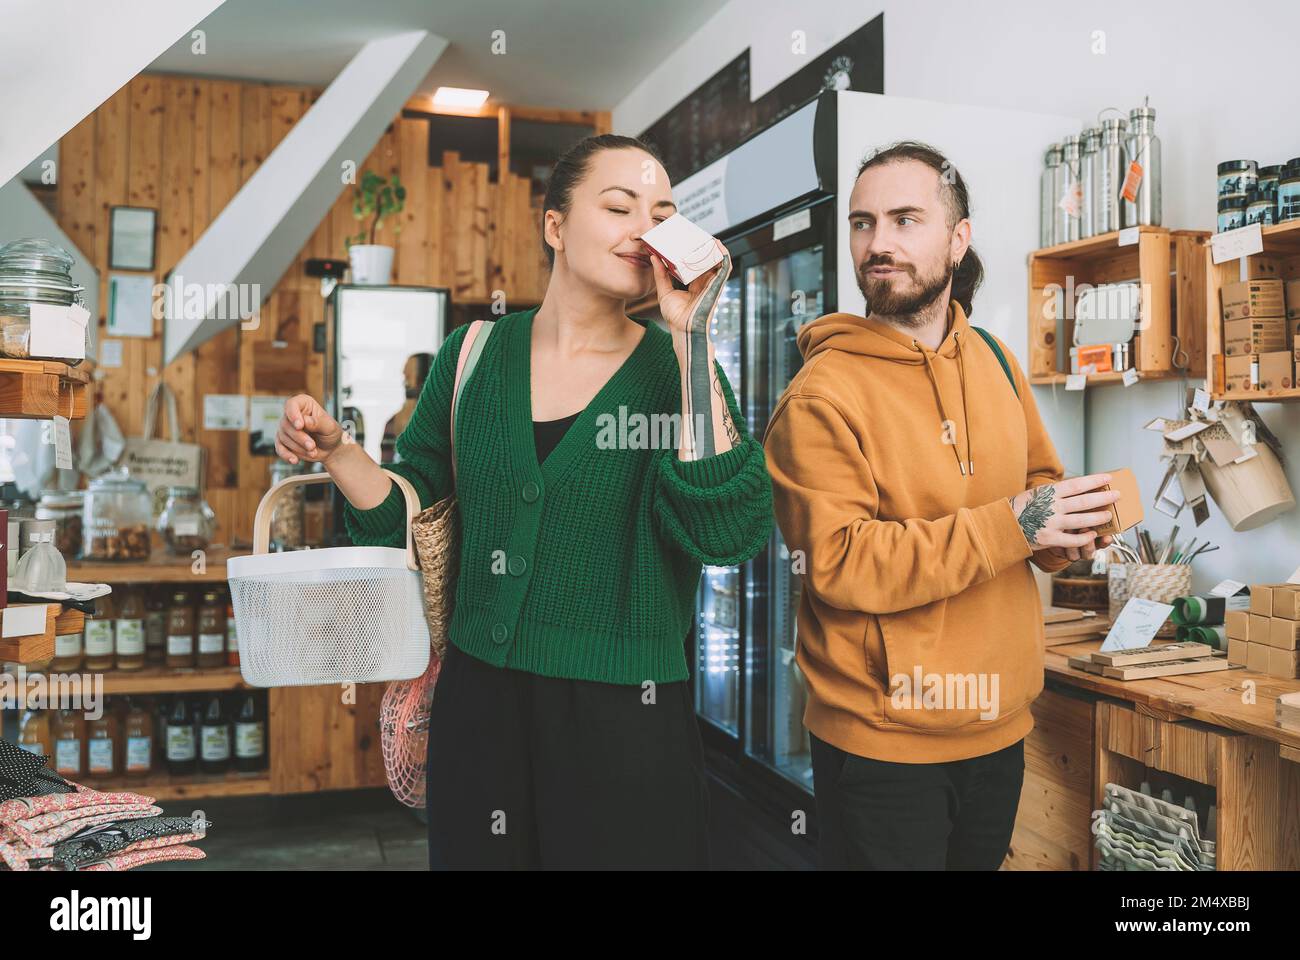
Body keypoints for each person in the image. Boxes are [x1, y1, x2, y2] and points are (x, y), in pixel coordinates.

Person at [274, 134, 773, 869]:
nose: (646, 227)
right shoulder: (474, 355)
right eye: (618, 206)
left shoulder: (677, 373)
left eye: (662, 212)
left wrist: (694, 340)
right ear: (555, 225)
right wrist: (341, 452)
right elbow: (412, 514)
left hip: (625, 719)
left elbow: (727, 530)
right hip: (481, 706)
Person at [763, 141, 1117, 870]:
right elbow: (841, 564)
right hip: (882, 746)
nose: (878, 243)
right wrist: (1014, 522)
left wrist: (1070, 529)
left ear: (959, 239)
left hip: (999, 729)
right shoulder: (821, 394)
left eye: (903, 219)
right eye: (863, 224)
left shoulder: (992, 358)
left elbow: (1037, 494)